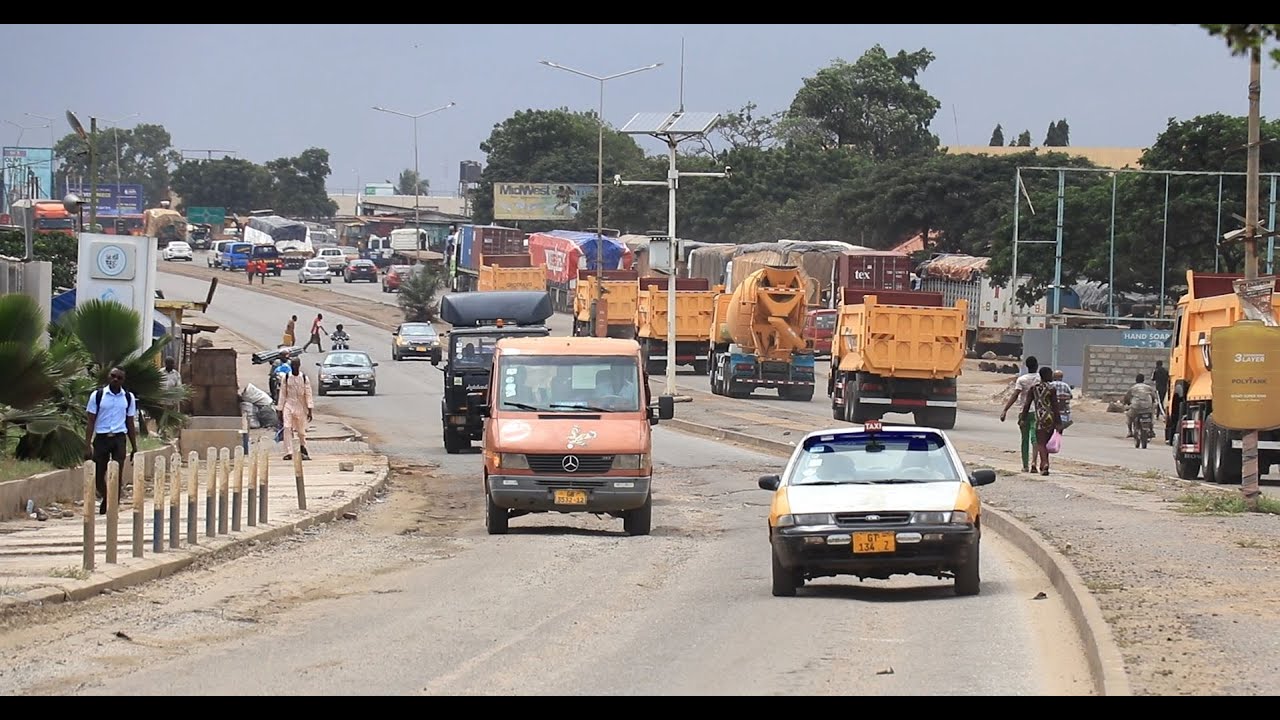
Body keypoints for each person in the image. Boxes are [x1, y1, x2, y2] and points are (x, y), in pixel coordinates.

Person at [84, 367, 139, 515]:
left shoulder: (128, 397)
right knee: (98, 474)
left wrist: (134, 447)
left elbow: (130, 422)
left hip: (119, 439)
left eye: (119, 378)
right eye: (113, 376)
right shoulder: (97, 395)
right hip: (101, 438)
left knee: (117, 473)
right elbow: (90, 421)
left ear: (123, 380)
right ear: (109, 376)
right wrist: (87, 445)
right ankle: (107, 497)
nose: (115, 379)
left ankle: (112, 506)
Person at [1000, 355, 1040, 473]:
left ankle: (1025, 465)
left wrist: (1005, 410)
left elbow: (1015, 395)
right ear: (1037, 366)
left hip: (1024, 412)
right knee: (1035, 438)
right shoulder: (1040, 378)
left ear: (1027, 366)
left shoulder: (1022, 380)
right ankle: (1034, 462)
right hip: (1038, 412)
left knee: (1024, 439)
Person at [1021, 366, 1063, 476]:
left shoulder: (1034, 388)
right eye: (1050, 374)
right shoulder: (1051, 389)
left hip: (1040, 418)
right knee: (1045, 443)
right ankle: (1043, 464)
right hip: (1050, 418)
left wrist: (1023, 418)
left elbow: (1027, 404)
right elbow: (1055, 406)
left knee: (1041, 443)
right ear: (1047, 375)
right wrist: (1059, 423)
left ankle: (1044, 464)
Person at [276, 357, 314, 461]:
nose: (294, 367)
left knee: (301, 431)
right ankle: (288, 452)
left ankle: (302, 447)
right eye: (292, 365)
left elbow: (308, 394)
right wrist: (279, 409)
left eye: (296, 365)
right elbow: (282, 394)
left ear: (299, 366)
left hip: (301, 406)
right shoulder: (286, 377)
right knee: (287, 428)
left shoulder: (304, 378)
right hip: (289, 404)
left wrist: (310, 410)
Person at [1123, 373, 1160, 440]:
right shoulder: (1148, 388)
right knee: (1151, 416)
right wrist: (1152, 402)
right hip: (1147, 407)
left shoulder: (1133, 388)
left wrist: (1126, 403)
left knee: (1129, 415)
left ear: (1136, 380)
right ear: (1143, 380)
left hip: (1136, 407)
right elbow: (1153, 396)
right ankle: (1151, 430)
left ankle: (1130, 431)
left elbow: (1127, 397)